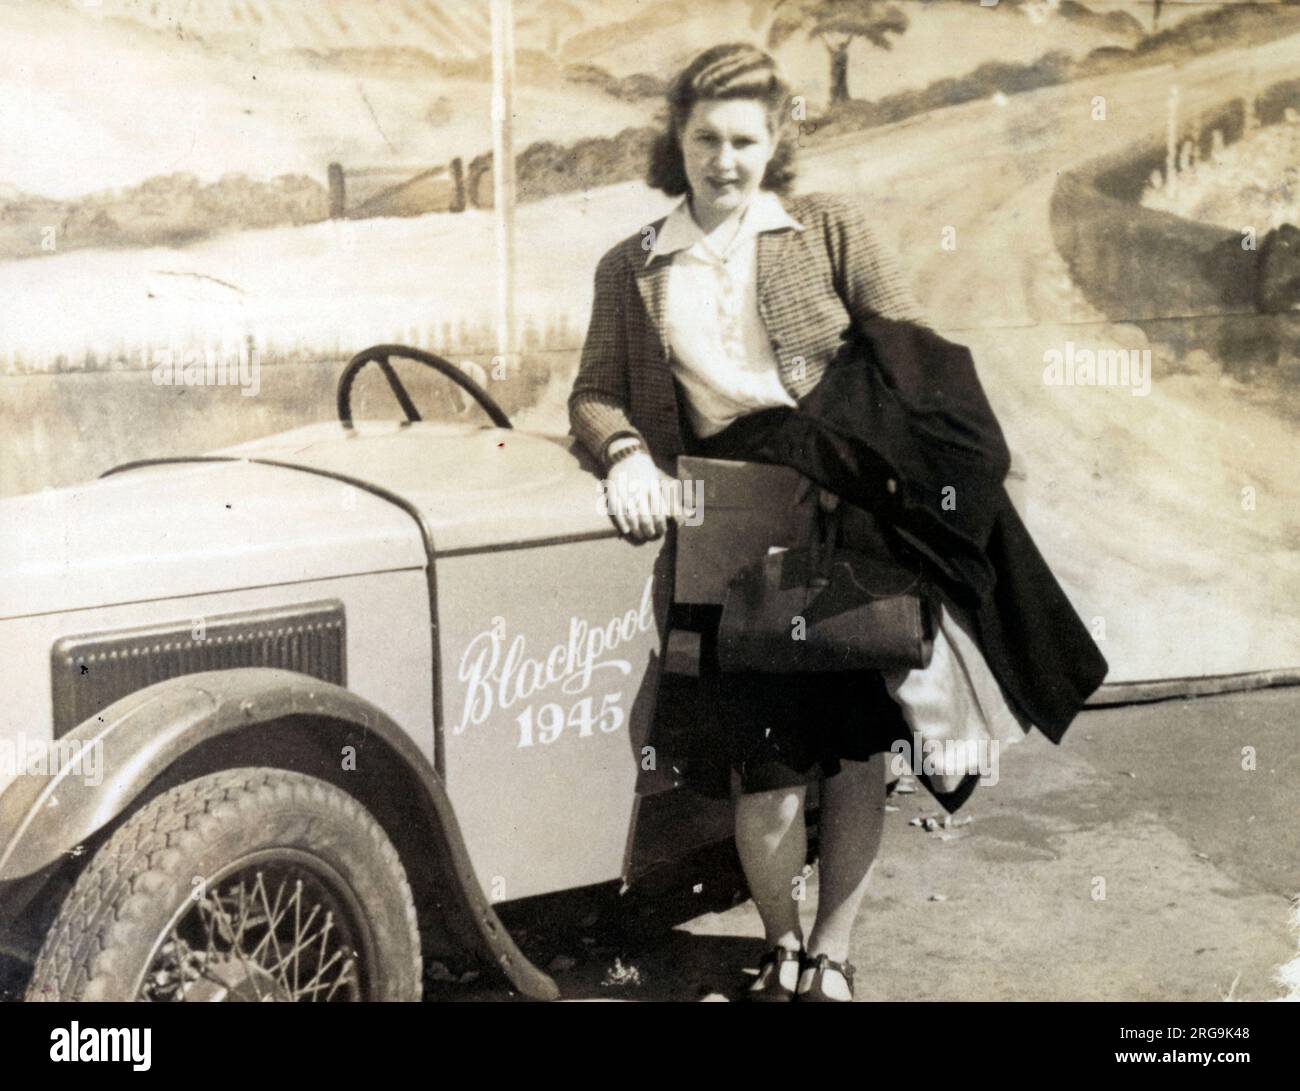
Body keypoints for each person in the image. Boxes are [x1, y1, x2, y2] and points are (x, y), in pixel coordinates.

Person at [568, 43, 1028, 1002]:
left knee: (855, 754)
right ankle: (780, 942)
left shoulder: (827, 229)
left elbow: (908, 355)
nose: (724, 159)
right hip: (731, 531)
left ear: (774, 142)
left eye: (744, 139)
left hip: (845, 521)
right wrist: (623, 455)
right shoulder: (633, 266)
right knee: (764, 767)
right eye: (706, 138)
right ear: (678, 141)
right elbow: (595, 393)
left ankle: (833, 952)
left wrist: (926, 480)